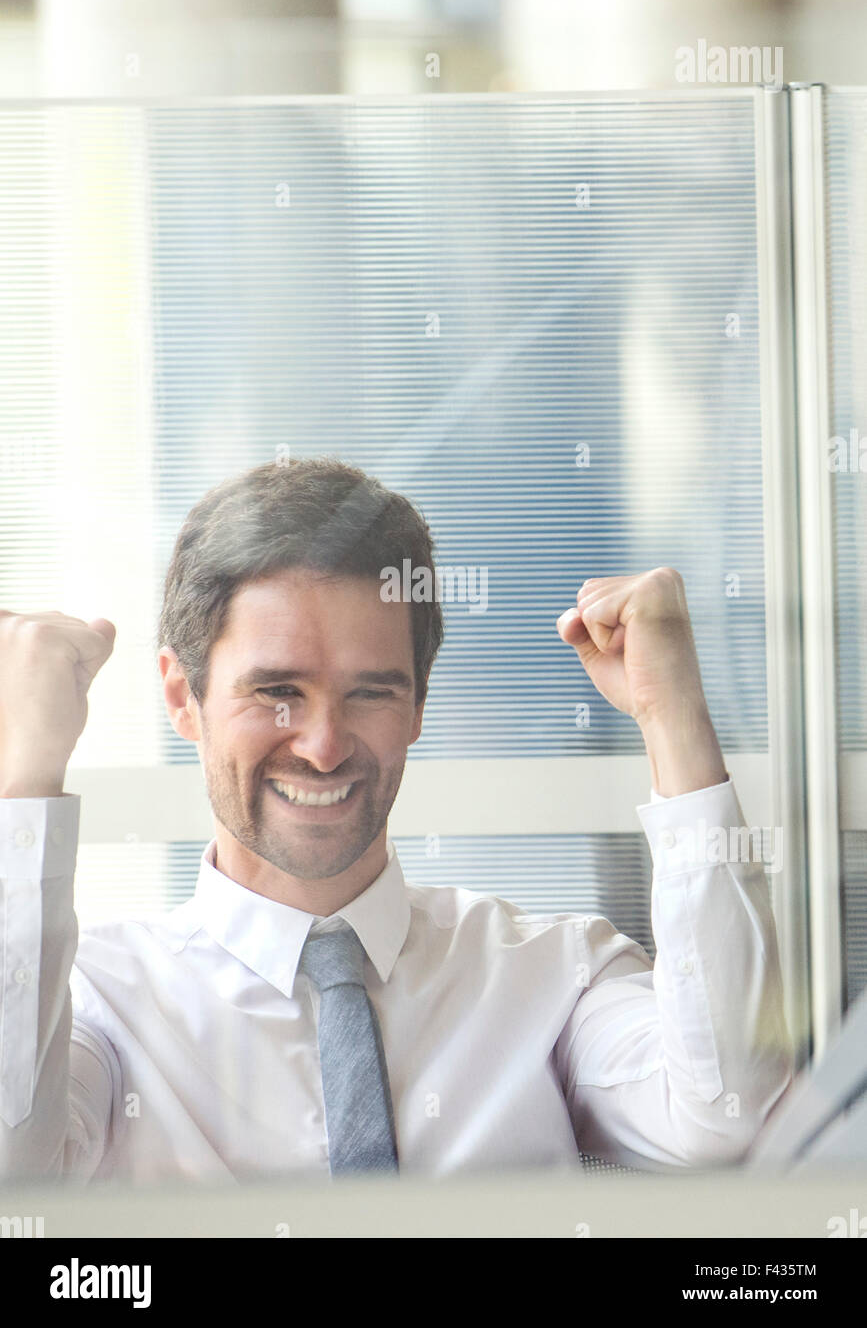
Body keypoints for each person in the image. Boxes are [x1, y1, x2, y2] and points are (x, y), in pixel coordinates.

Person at [0, 457, 792, 1183]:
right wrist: (24, 780)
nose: (323, 745)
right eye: (277, 691)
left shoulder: (552, 976)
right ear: (182, 697)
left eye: (371, 691)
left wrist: (672, 716)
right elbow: (12, 1165)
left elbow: (722, 1116)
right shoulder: (98, 997)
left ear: (417, 702)